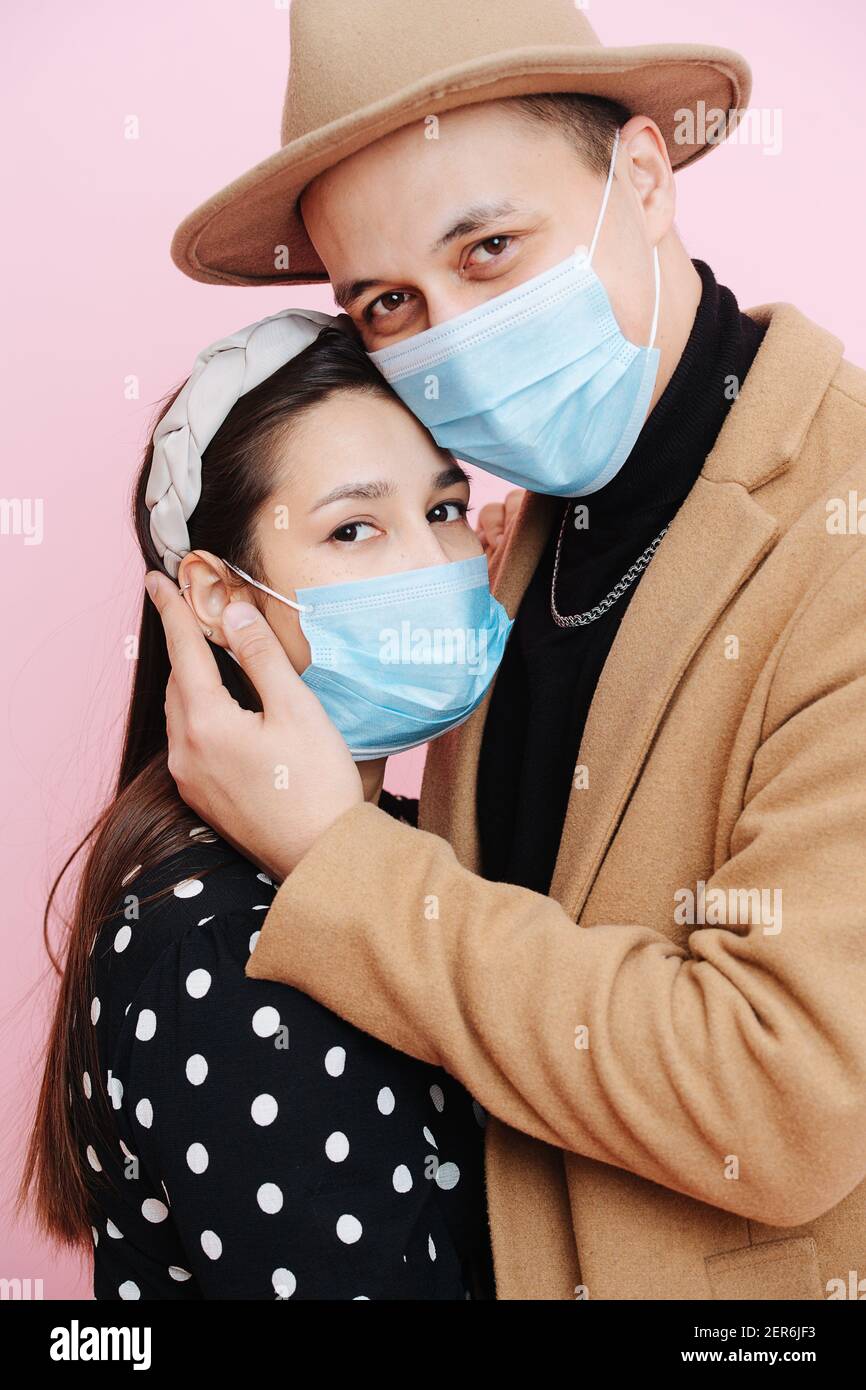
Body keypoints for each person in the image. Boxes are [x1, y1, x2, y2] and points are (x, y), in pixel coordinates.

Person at [149, 1, 866, 1300]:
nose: (450, 339)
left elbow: (781, 1089)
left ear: (640, 178)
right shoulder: (505, 534)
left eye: (488, 246)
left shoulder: (844, 530)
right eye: (386, 300)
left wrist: (337, 856)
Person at [20, 309, 517, 1299]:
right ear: (215, 596)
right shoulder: (225, 948)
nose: (433, 566)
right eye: (352, 528)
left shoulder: (397, 851)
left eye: (445, 509)